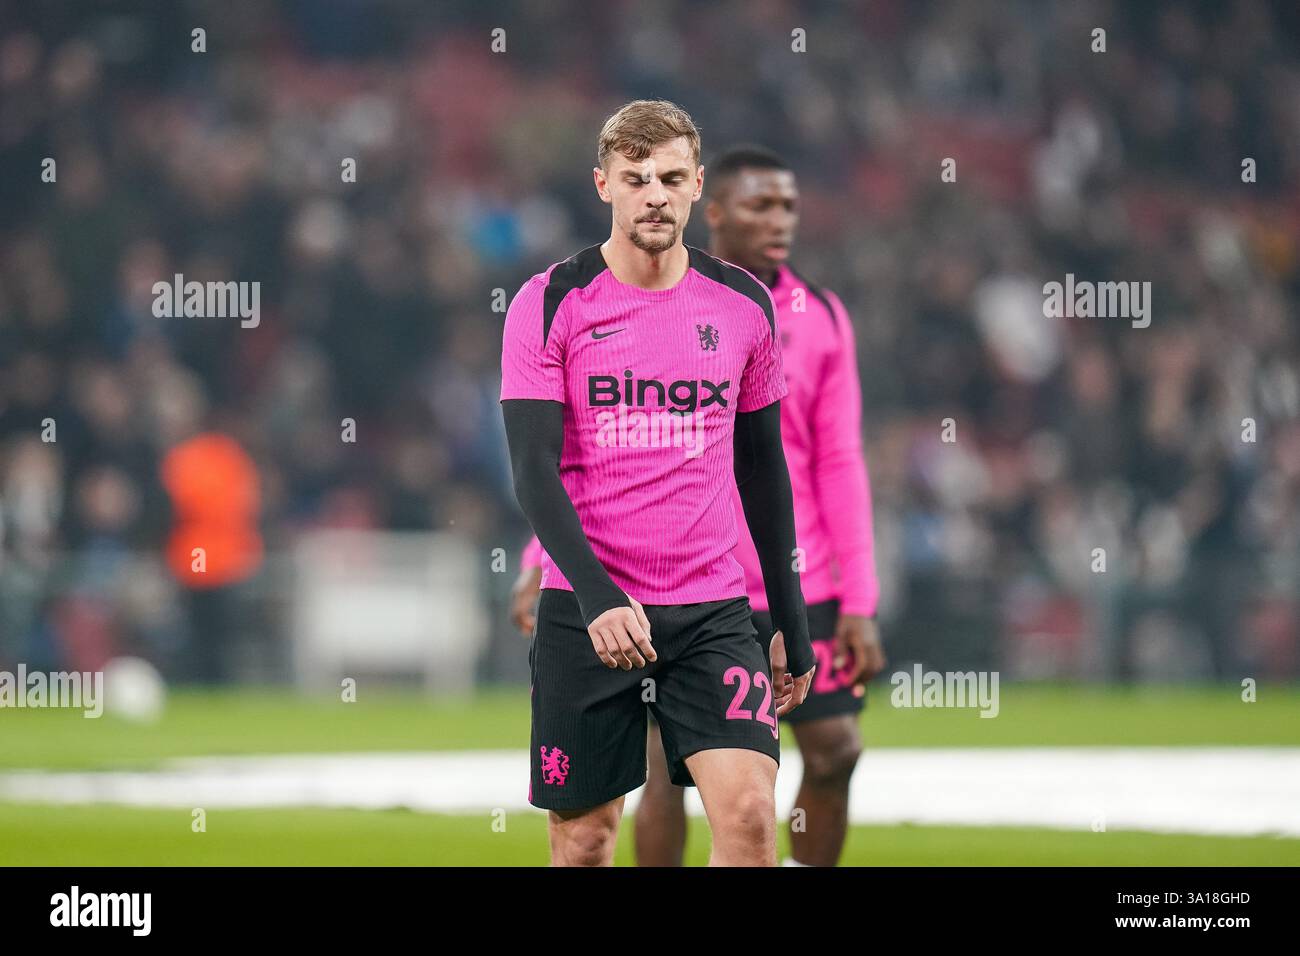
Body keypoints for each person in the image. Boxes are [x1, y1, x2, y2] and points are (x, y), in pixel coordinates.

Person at [509, 144, 884, 866]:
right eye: (761, 205)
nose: (780, 220)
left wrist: (843, 599)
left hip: (741, 592)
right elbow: (565, 458)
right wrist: (552, 567)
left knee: (778, 792)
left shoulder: (790, 313)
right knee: (604, 824)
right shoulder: (563, 299)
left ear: (693, 190)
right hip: (618, 590)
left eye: (789, 206)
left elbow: (815, 461)